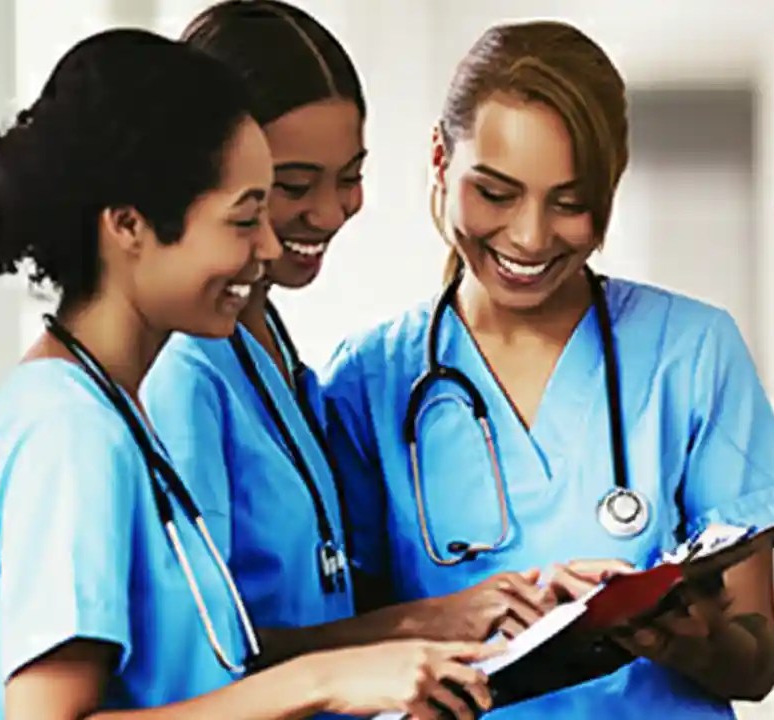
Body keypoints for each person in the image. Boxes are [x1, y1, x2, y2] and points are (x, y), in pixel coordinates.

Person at [0, 28, 495, 720]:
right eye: (244, 219)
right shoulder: (67, 431)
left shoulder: (109, 413)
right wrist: (318, 682)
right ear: (130, 225)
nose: (265, 248)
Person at [318, 19, 774, 719]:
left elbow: (758, 662)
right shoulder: (367, 383)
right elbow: (336, 659)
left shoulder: (693, 351)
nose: (529, 236)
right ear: (439, 160)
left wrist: (670, 635)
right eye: (495, 193)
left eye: (571, 203)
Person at [144, 0, 598, 665]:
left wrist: (507, 606)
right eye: (293, 184)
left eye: (350, 177)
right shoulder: (184, 368)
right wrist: (421, 625)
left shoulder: (266, 339)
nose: (330, 211)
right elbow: (200, 657)